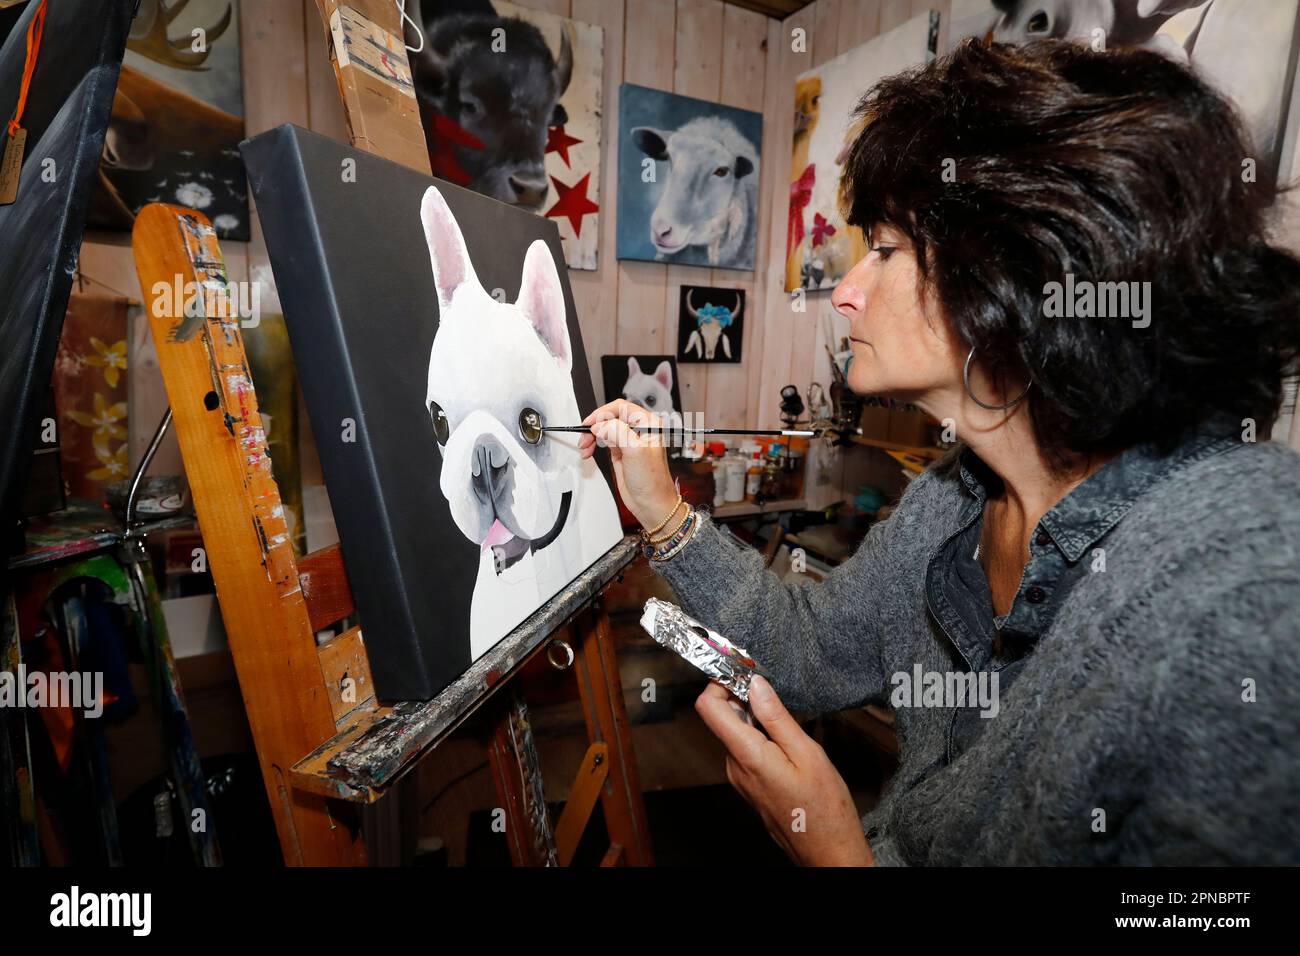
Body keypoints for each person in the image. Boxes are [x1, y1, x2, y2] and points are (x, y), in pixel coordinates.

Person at [578, 38, 1300, 865]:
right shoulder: (960, 495)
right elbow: (810, 654)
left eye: (884, 249)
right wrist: (663, 512)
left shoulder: (1249, 579)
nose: (846, 290)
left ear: (1016, 275)